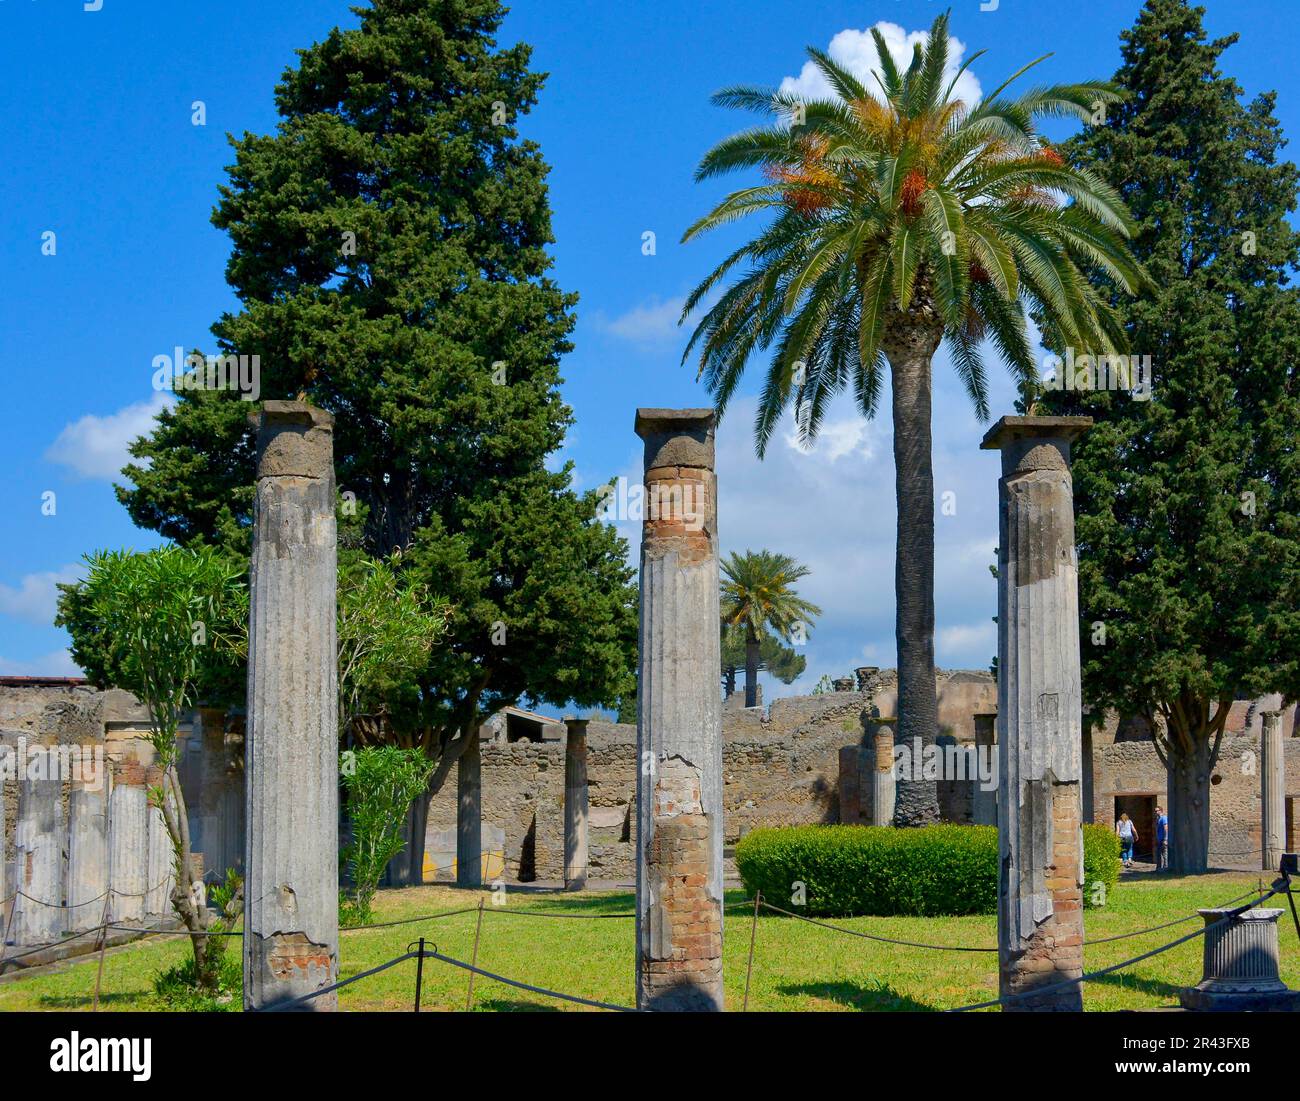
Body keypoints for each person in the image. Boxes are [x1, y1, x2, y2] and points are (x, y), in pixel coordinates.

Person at [1155, 806, 1169, 871]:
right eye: (1155, 811)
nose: (1156, 812)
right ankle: (1159, 868)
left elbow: (1166, 828)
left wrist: (1165, 839)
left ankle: (1165, 868)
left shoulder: (1164, 818)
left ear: (1161, 811)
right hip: (1159, 840)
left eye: (1157, 811)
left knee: (1165, 854)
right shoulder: (1158, 819)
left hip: (1163, 839)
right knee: (1158, 854)